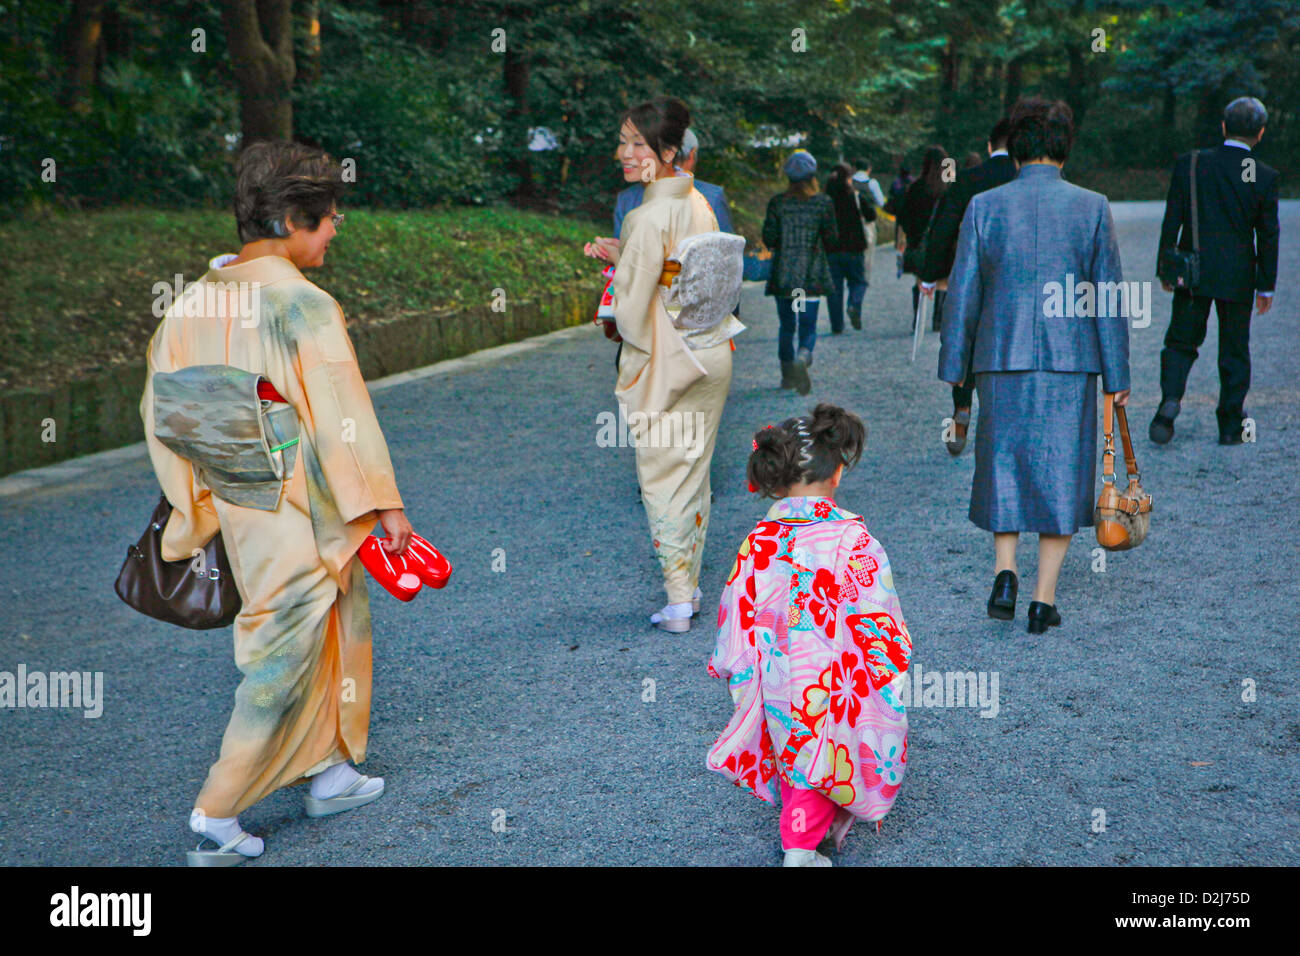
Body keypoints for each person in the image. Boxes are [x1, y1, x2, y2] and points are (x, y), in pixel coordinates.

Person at [141, 141, 412, 863]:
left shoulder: (192, 303)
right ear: (294, 219)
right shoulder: (301, 303)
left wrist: (196, 503)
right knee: (281, 659)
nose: (335, 229)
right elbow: (343, 418)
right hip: (305, 507)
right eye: (327, 219)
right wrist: (384, 506)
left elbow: (165, 417)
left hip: (238, 501)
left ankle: (329, 773)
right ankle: (217, 814)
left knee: (322, 633)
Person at [938, 98, 1130, 635]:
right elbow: (1107, 298)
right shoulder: (1092, 206)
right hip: (1071, 359)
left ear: (1016, 148)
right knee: (1064, 469)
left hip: (1001, 355)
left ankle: (1005, 573)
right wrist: (1118, 377)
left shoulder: (985, 206)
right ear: (1064, 147)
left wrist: (956, 363)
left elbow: (965, 294)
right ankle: (1043, 599)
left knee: (1002, 459)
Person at [707, 404, 911, 867]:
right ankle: (798, 851)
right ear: (837, 473)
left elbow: (736, 610)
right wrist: (885, 667)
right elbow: (878, 613)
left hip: (776, 672)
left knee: (793, 753)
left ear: (777, 478)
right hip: (837, 677)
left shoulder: (759, 540)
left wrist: (737, 666)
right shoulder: (852, 540)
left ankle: (802, 840)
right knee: (829, 749)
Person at [584, 96, 743, 633]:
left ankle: (678, 599)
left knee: (661, 479)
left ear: (668, 151)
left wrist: (621, 268)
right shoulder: (697, 202)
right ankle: (690, 586)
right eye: (623, 141)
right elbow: (677, 272)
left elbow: (631, 309)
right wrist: (625, 255)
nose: (624, 153)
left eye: (637, 143)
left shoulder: (646, 214)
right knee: (693, 474)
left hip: (670, 359)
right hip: (711, 350)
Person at [1151, 96, 1280, 446]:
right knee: (1235, 348)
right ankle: (1230, 423)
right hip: (1239, 274)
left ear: (1223, 126)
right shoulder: (1263, 176)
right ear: (1261, 133)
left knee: (1180, 341)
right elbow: (1268, 235)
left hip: (1194, 270)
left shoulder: (1192, 164)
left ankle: (1170, 400)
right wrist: (1265, 286)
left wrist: (1166, 267)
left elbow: (1172, 219)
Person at [919, 119, 1016, 456]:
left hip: (974, 273)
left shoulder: (968, 180)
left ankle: (962, 409)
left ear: (990, 146)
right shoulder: (1024, 180)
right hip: (1018, 280)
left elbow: (943, 229)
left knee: (968, 341)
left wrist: (930, 275)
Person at [762, 149, 837, 395]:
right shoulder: (823, 203)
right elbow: (831, 238)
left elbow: (769, 238)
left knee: (786, 326)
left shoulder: (778, 203)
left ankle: (786, 377)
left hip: (785, 277)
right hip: (810, 276)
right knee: (807, 326)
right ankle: (803, 357)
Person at [612, 127, 734, 236]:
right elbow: (727, 255)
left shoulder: (627, 199)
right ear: (691, 156)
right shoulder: (712, 197)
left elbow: (621, 252)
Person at [897, 145, 950, 333]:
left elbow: (903, 216)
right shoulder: (948, 189)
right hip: (944, 242)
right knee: (943, 281)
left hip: (920, 241)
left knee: (920, 279)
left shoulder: (916, 188)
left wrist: (911, 236)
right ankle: (938, 320)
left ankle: (917, 318)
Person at [824, 162, 871, 332]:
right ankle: (854, 305)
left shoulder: (825, 199)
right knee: (858, 282)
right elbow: (871, 215)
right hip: (854, 248)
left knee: (834, 288)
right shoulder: (855, 196)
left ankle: (836, 325)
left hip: (832, 249)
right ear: (848, 178)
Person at [851, 159, 886, 292]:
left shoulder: (849, 182)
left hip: (849, 222)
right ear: (869, 169)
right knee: (868, 252)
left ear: (854, 168)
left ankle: (852, 276)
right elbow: (881, 202)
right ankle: (864, 279)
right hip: (867, 222)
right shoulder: (872, 183)